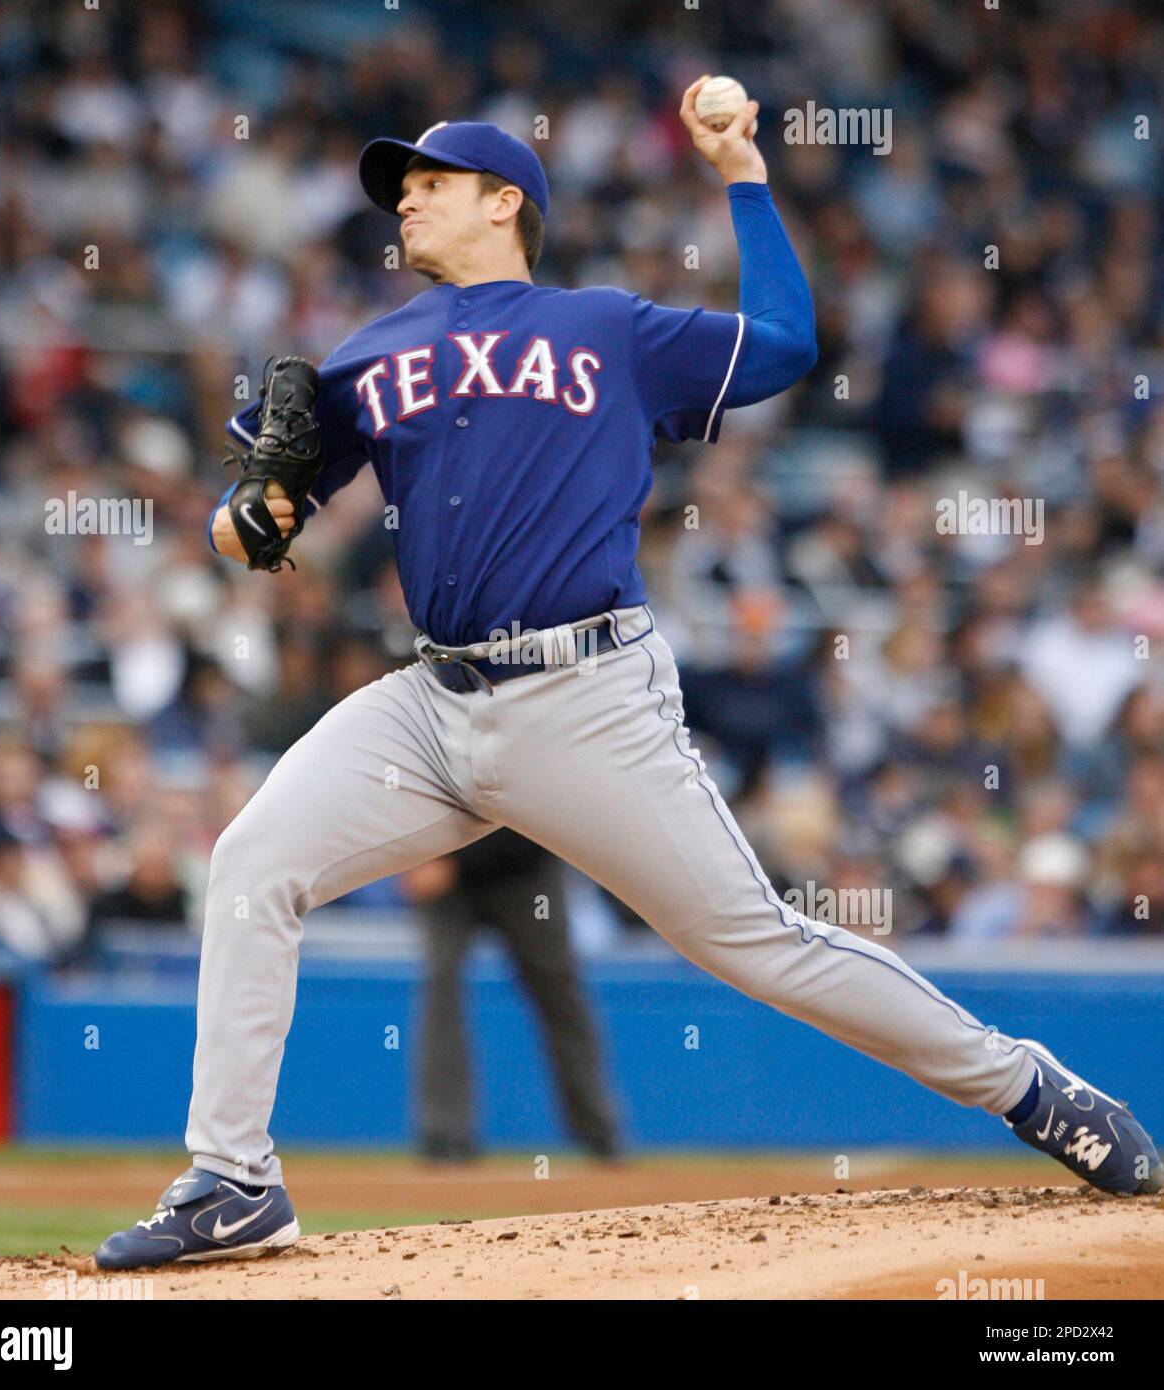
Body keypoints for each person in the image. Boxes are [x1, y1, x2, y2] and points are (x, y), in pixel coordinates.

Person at [96, 81, 1160, 1270]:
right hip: (429, 704)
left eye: (429, 181)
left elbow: (787, 346)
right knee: (252, 862)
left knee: (755, 943)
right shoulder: (368, 353)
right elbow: (250, 528)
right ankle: (233, 1179)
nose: (405, 198)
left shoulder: (604, 326)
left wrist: (743, 176)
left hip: (586, 697)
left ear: (506, 202)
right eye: (400, 187)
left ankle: (1026, 1084)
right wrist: (250, 514)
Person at [402, 830, 620, 1163]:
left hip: (524, 868)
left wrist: (455, 863)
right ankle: (444, 1135)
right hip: (445, 863)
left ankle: (600, 1129)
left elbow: (532, 808)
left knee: (558, 989)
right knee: (440, 987)